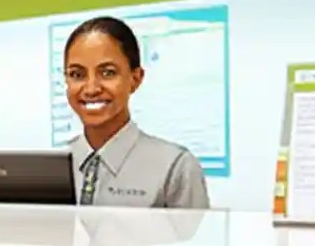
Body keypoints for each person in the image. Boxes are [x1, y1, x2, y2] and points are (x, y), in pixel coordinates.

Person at [63, 15, 210, 209]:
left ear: (135, 78)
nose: (91, 88)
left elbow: (200, 240)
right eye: (77, 75)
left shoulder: (175, 167)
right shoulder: (50, 167)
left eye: (107, 72)